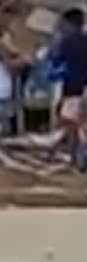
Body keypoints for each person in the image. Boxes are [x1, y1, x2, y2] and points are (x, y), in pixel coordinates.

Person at [55, 8, 87, 166]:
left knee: (71, 123)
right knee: (82, 123)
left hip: (73, 88)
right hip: (83, 88)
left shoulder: (66, 42)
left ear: (69, 24)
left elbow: (57, 63)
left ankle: (75, 160)